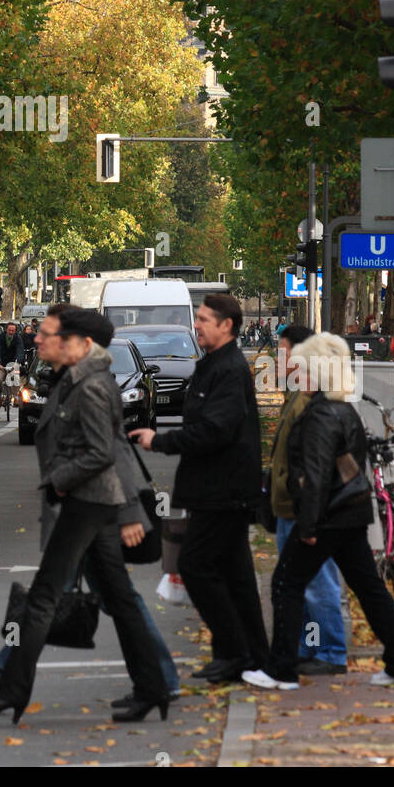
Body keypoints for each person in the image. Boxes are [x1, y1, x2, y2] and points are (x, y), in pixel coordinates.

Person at [0, 305, 180, 710]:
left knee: (44, 597)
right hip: (89, 503)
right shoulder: (69, 379)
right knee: (119, 599)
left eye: (49, 334)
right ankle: (155, 686)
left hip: (87, 504)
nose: (39, 339)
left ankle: (8, 688)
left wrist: (64, 484)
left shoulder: (91, 385)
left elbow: (107, 452)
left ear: (80, 343)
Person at [244, 333, 394, 690]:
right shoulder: (341, 409)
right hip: (348, 514)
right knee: (369, 588)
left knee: (286, 582)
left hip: (326, 518)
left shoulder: (320, 413)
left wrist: (307, 524)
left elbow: (317, 475)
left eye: (304, 366)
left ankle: (282, 669)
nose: (298, 372)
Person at [131, 292, 268, 684]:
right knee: (237, 575)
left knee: (195, 565)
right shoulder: (213, 365)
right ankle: (253, 655)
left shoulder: (228, 369)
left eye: (205, 319)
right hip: (219, 488)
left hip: (222, 491)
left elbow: (215, 430)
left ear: (226, 326)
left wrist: (160, 441)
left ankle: (234, 652)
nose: (198, 325)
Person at [271, 324, 347, 675]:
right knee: (297, 583)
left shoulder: (311, 403)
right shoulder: (297, 396)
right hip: (291, 505)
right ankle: (307, 646)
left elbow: (314, 463)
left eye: (283, 350)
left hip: (304, 508)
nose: (277, 357)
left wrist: (307, 509)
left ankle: (330, 651)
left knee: (317, 582)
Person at [0, 321, 26, 408]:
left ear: (15, 331)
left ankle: (15, 397)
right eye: (9, 330)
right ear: (6, 330)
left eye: (13, 330)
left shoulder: (18, 338)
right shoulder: (0, 337)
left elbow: (20, 350)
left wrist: (17, 362)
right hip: (1, 364)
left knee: (16, 378)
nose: (11, 332)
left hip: (13, 363)